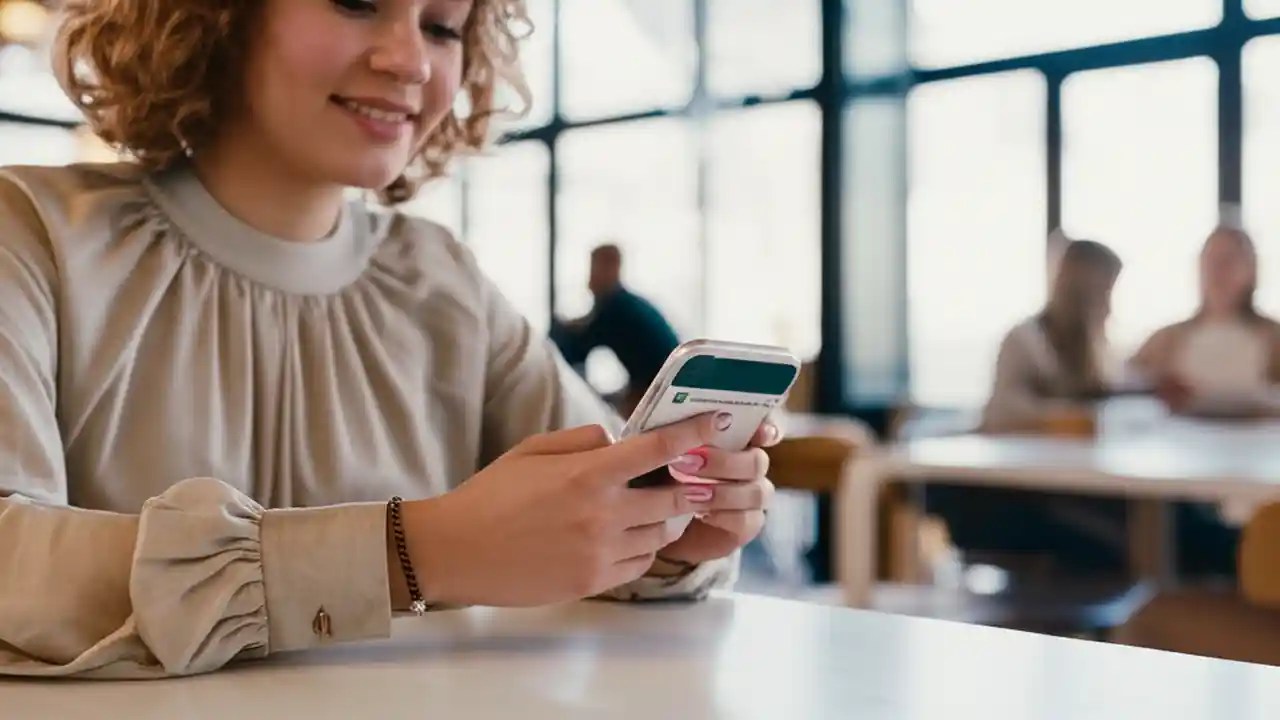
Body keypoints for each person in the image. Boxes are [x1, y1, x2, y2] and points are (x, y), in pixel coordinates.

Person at [0, 0, 778, 679]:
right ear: (217, 13)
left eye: (443, 27)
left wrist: (668, 533)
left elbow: (594, 491)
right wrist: (417, 553)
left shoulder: (444, 282)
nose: (409, 60)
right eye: (354, 1)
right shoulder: (29, 235)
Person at [925, 240, 1128, 575]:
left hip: (1064, 493)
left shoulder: (1095, 351)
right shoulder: (1027, 340)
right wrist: (1072, 420)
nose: (1111, 307)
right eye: (1107, 291)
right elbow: (1003, 412)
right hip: (1011, 501)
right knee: (1117, 543)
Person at [1131, 226, 1280, 417]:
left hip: (1259, 439)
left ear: (1251, 269)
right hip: (1183, 440)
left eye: (1229, 261)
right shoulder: (1166, 339)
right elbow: (1129, 384)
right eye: (1211, 261)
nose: (1218, 272)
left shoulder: (1274, 337)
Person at [551, 243, 681, 414]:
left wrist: (559, 331)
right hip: (664, 387)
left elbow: (576, 350)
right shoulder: (624, 303)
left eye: (595, 269)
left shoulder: (616, 308)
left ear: (613, 268)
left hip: (661, 393)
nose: (589, 280)